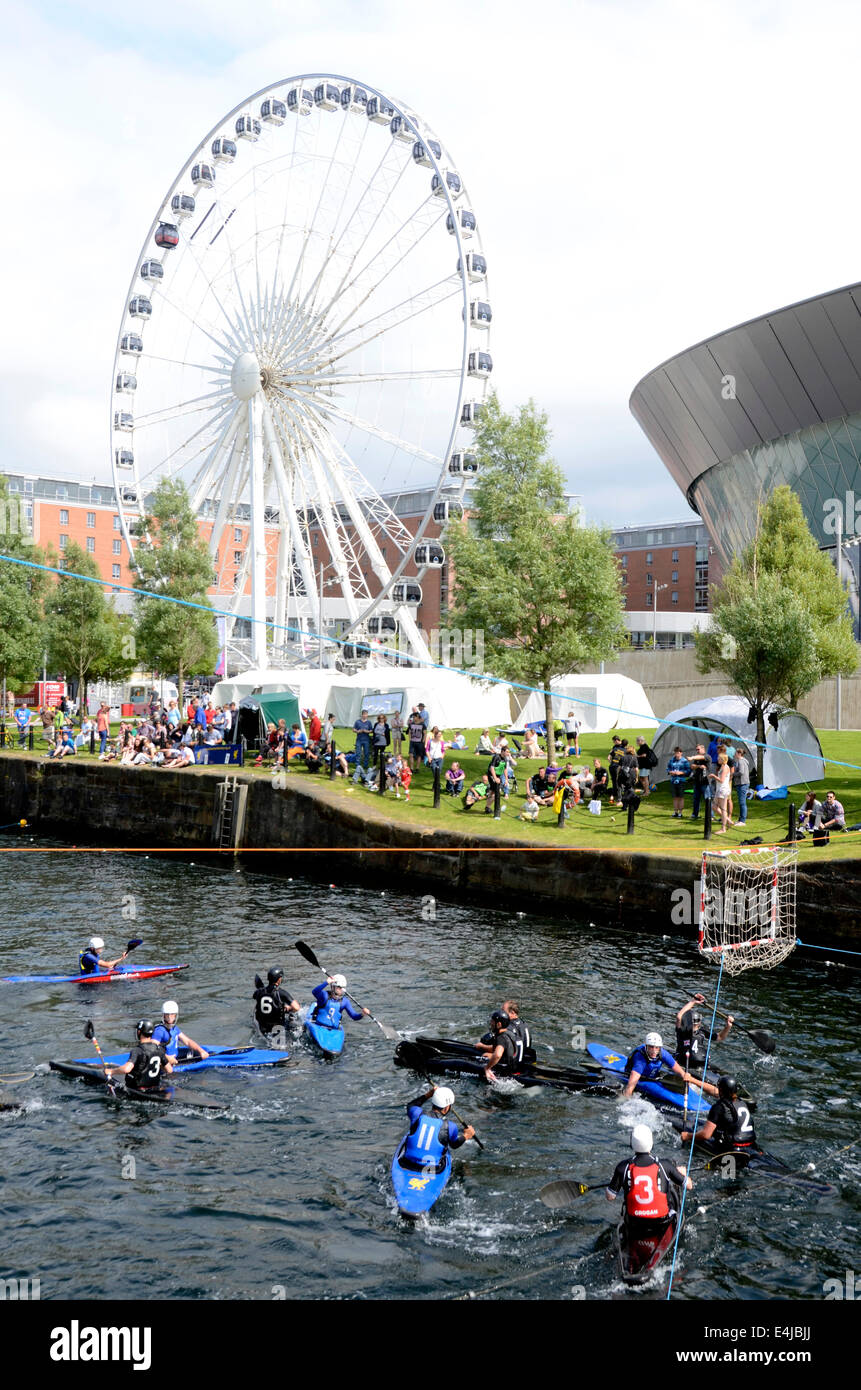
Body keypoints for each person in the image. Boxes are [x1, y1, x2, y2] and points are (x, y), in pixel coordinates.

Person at [605, 1124, 692, 1231]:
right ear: (651, 1143)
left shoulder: (623, 1167)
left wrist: (616, 1181)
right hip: (661, 1222)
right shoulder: (664, 1165)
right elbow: (689, 1185)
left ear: (632, 1143)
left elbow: (610, 1197)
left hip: (634, 1223)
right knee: (670, 1194)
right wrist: (683, 1173)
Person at [623, 1031, 713, 1099]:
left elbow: (679, 1071)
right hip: (636, 1077)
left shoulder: (663, 1053)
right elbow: (631, 1085)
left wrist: (686, 1078)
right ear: (646, 1046)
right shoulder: (640, 1060)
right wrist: (627, 1098)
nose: (654, 1050)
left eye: (657, 1047)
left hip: (652, 1076)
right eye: (651, 1047)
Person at [401, 1085, 474, 1168]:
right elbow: (454, 1145)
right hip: (433, 1168)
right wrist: (466, 1136)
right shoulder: (450, 1126)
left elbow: (411, 1105)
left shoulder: (416, 1113)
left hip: (407, 1162)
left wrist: (428, 1095)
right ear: (447, 1108)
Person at [680, 1076, 757, 1153]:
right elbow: (714, 1091)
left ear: (721, 1090)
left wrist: (687, 1136)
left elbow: (706, 1135)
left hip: (733, 1147)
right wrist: (692, 1080)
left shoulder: (718, 1107)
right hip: (751, 1144)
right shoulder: (742, 1102)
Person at [106, 1019, 174, 1092]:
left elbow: (126, 1069)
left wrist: (111, 1071)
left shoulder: (137, 1050)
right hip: (155, 1088)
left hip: (138, 1089)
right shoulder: (159, 1049)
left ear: (139, 1032)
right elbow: (169, 1070)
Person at [675, 993, 733, 1067]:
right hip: (684, 1062)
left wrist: (728, 1026)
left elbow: (720, 1037)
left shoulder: (702, 1031)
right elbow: (679, 1017)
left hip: (701, 1062)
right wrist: (693, 1001)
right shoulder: (683, 1031)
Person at [253, 967, 301, 1034]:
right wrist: (287, 1009)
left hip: (262, 1027)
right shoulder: (281, 993)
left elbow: (256, 997)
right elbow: (297, 1008)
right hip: (277, 1028)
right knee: (293, 1018)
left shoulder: (258, 992)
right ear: (279, 979)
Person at [480, 1010, 518, 1080]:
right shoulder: (510, 1033)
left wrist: (487, 1068)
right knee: (486, 1055)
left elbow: (498, 1055)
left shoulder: (501, 1038)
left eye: (493, 1022)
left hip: (503, 1070)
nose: (491, 1023)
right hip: (512, 1067)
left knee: (482, 1057)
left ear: (499, 1024)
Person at [502, 999, 535, 1063]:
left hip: (513, 1062)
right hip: (526, 1058)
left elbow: (500, 1048)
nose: (501, 1013)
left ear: (512, 1013)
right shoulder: (525, 1025)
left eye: (503, 1011)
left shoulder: (508, 1027)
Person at [709, 752, 734, 834]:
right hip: (719, 789)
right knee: (714, 806)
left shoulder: (725, 768)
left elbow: (722, 780)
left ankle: (723, 828)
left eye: (719, 758)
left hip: (723, 789)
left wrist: (713, 776)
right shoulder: (722, 767)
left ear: (723, 759)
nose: (717, 759)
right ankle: (728, 820)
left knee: (723, 809)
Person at [667, 746, 691, 818]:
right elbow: (668, 768)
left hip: (681, 780)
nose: (676, 754)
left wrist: (681, 773)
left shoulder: (684, 761)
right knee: (675, 797)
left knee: (681, 797)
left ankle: (680, 813)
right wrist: (670, 772)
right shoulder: (671, 760)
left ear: (681, 753)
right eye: (675, 753)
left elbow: (688, 771)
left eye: (678, 753)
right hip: (673, 780)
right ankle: (675, 812)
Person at [688, 744, 710, 820]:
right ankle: (695, 814)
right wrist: (699, 766)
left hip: (705, 782)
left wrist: (692, 758)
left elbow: (702, 757)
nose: (697, 751)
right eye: (696, 749)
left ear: (703, 749)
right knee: (696, 799)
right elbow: (692, 766)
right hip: (697, 781)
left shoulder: (707, 756)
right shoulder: (696, 758)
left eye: (698, 749)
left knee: (707, 799)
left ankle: (710, 815)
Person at [733, 748, 752, 825]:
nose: (735, 755)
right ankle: (740, 819)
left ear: (739, 754)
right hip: (742, 783)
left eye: (736, 753)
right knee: (741, 802)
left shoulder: (741, 761)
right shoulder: (742, 761)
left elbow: (741, 772)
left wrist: (732, 774)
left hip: (742, 784)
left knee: (742, 802)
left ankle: (742, 821)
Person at [608, 736, 624, 804]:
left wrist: (612, 762)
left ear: (617, 740)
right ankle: (619, 798)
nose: (614, 743)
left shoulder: (615, 747)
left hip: (613, 766)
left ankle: (615, 796)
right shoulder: (623, 747)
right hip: (618, 767)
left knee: (615, 782)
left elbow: (609, 757)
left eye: (614, 741)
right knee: (618, 782)